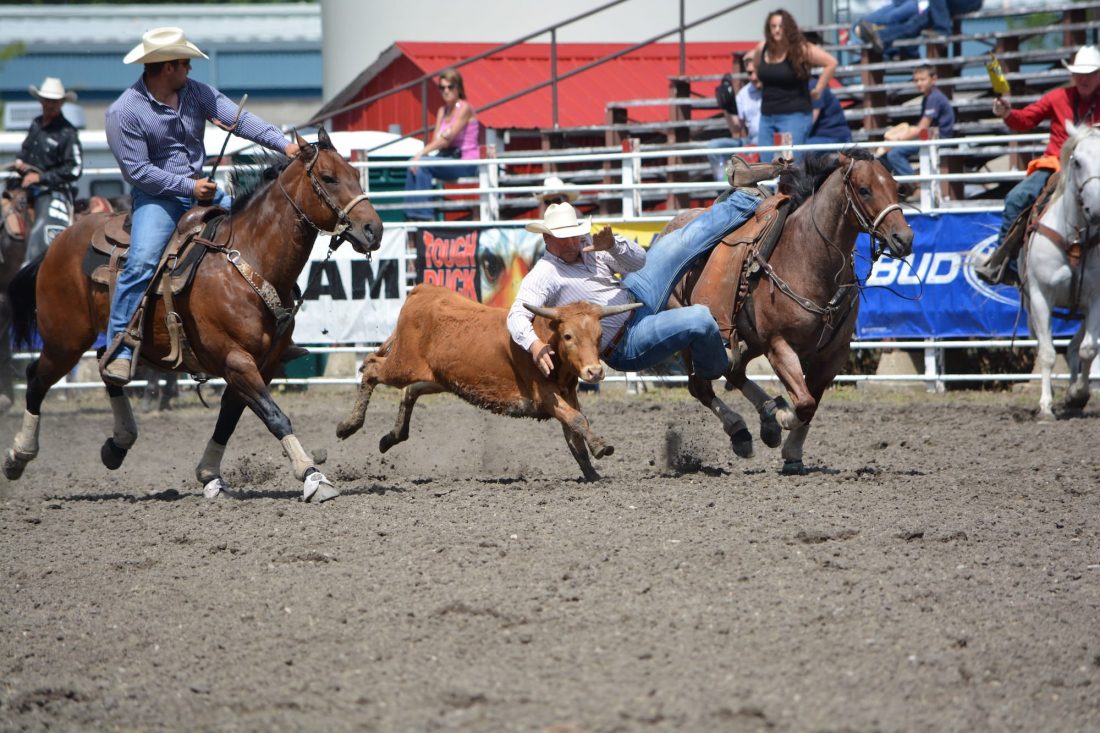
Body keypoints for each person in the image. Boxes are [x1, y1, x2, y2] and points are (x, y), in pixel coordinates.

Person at [102, 27, 302, 385]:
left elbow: (239, 119)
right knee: (143, 261)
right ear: (167, 68)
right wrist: (189, 185)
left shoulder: (196, 93)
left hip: (203, 193)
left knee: (255, 238)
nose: (190, 70)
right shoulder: (124, 112)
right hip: (158, 198)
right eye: (185, 63)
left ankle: (274, 335)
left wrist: (283, 145)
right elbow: (138, 172)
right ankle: (120, 346)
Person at [507, 188, 763, 383]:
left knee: (678, 241)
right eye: (564, 238)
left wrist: (614, 246)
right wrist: (535, 344)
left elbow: (637, 261)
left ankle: (749, 199)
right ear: (547, 238)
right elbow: (517, 314)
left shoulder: (590, 244)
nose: (573, 242)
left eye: (574, 234)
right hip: (626, 343)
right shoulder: (545, 273)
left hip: (635, 294)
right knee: (699, 318)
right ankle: (716, 367)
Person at [976, 46, 1100, 286]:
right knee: (1015, 198)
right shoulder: (1057, 97)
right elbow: (1026, 120)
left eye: (1090, 74)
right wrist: (1007, 113)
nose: (1083, 79)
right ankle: (1004, 264)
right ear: (1072, 75)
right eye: (1079, 74)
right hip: (1056, 167)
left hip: (1095, 170)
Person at [752, 9, 838, 162]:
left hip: (793, 116)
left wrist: (818, 89)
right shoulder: (762, 47)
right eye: (773, 26)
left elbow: (831, 63)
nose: (777, 30)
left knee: (788, 164)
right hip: (767, 115)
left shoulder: (801, 49)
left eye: (781, 26)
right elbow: (756, 64)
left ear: (788, 28)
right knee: (765, 166)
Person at [14, 77, 83, 265]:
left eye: (54, 101)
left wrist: (41, 177)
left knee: (44, 224)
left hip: (55, 190)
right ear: (41, 101)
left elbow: (74, 169)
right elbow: (25, 150)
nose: (50, 105)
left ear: (61, 103)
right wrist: (21, 163)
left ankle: (34, 265)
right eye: (47, 100)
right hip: (25, 185)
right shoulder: (36, 124)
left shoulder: (67, 132)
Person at [404, 68, 481, 222]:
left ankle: (424, 217)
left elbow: (446, 139)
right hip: (448, 157)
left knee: (421, 163)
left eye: (450, 87)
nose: (446, 91)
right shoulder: (442, 111)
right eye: (442, 87)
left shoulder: (465, 108)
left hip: (466, 160)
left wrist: (421, 154)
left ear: (458, 88)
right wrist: (421, 156)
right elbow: (437, 141)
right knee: (413, 165)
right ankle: (411, 215)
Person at [878, 64, 954, 180]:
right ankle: (901, 185)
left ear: (933, 79)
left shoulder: (934, 98)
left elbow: (921, 128)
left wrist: (896, 141)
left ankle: (914, 184)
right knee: (885, 157)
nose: (919, 83)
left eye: (922, 79)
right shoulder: (929, 97)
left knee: (894, 154)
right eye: (916, 80)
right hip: (932, 137)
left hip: (940, 139)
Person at [706, 53, 762, 182]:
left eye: (756, 72)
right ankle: (724, 187)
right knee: (714, 147)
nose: (753, 77)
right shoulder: (744, 94)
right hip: (750, 140)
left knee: (753, 148)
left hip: (767, 140)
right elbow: (736, 128)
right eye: (749, 73)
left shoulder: (773, 91)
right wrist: (727, 106)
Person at [808, 77, 852, 148]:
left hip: (832, 136)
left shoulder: (813, 85)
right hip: (819, 136)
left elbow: (810, 120)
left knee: (798, 150)